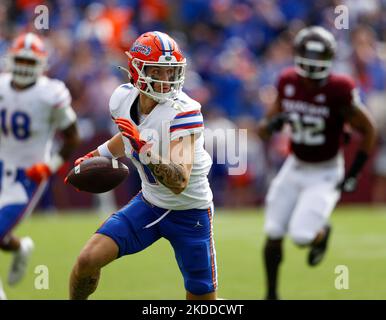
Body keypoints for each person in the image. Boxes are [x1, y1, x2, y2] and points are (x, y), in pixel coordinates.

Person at [68, 31, 217, 300]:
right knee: (87, 260)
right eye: (158, 72)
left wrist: (143, 149)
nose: (166, 80)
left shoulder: (184, 111)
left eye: (171, 72)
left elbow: (178, 182)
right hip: (149, 204)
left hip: (189, 213)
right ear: (137, 70)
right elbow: (127, 135)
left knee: (202, 303)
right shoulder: (123, 99)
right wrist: (97, 154)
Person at [257, 26, 377, 300]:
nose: (311, 75)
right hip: (295, 164)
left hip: (324, 171)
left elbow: (368, 129)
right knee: (273, 230)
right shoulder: (287, 81)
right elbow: (264, 128)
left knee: (300, 236)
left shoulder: (340, 89)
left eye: (317, 65)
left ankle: (321, 234)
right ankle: (271, 294)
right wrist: (271, 124)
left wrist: (354, 172)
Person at [0, 32, 80, 299]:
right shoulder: (1, 86)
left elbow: (72, 136)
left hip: (26, 176)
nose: (23, 67)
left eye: (29, 62)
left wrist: (50, 165)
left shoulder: (50, 93)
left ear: (41, 65)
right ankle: (20, 246)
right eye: (20, 61)